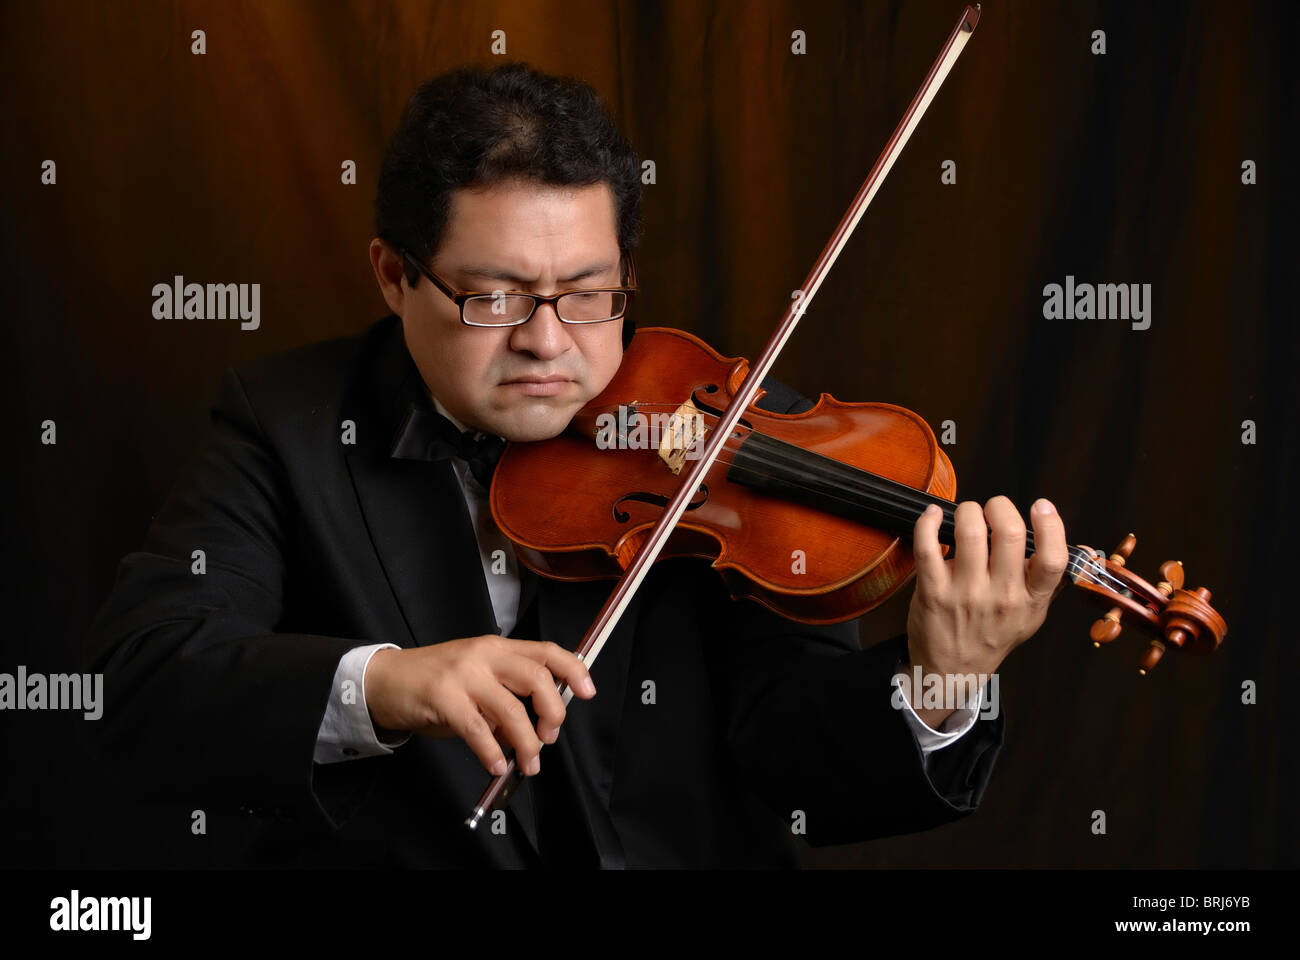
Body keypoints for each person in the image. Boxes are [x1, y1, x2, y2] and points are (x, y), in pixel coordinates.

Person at [87, 62, 1068, 868]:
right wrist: (386, 683)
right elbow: (147, 679)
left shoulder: (709, 442)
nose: (549, 343)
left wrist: (938, 681)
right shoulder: (286, 423)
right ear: (394, 274)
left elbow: (794, 754)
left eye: (591, 293)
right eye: (496, 297)